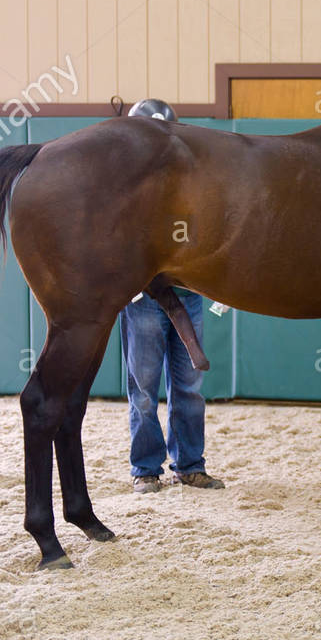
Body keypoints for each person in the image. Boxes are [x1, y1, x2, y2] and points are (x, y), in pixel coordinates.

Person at [121, 98, 224, 493]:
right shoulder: (122, 189)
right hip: (143, 298)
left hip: (188, 294)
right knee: (144, 390)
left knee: (189, 387)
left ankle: (189, 464)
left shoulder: (191, 185)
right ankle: (145, 470)